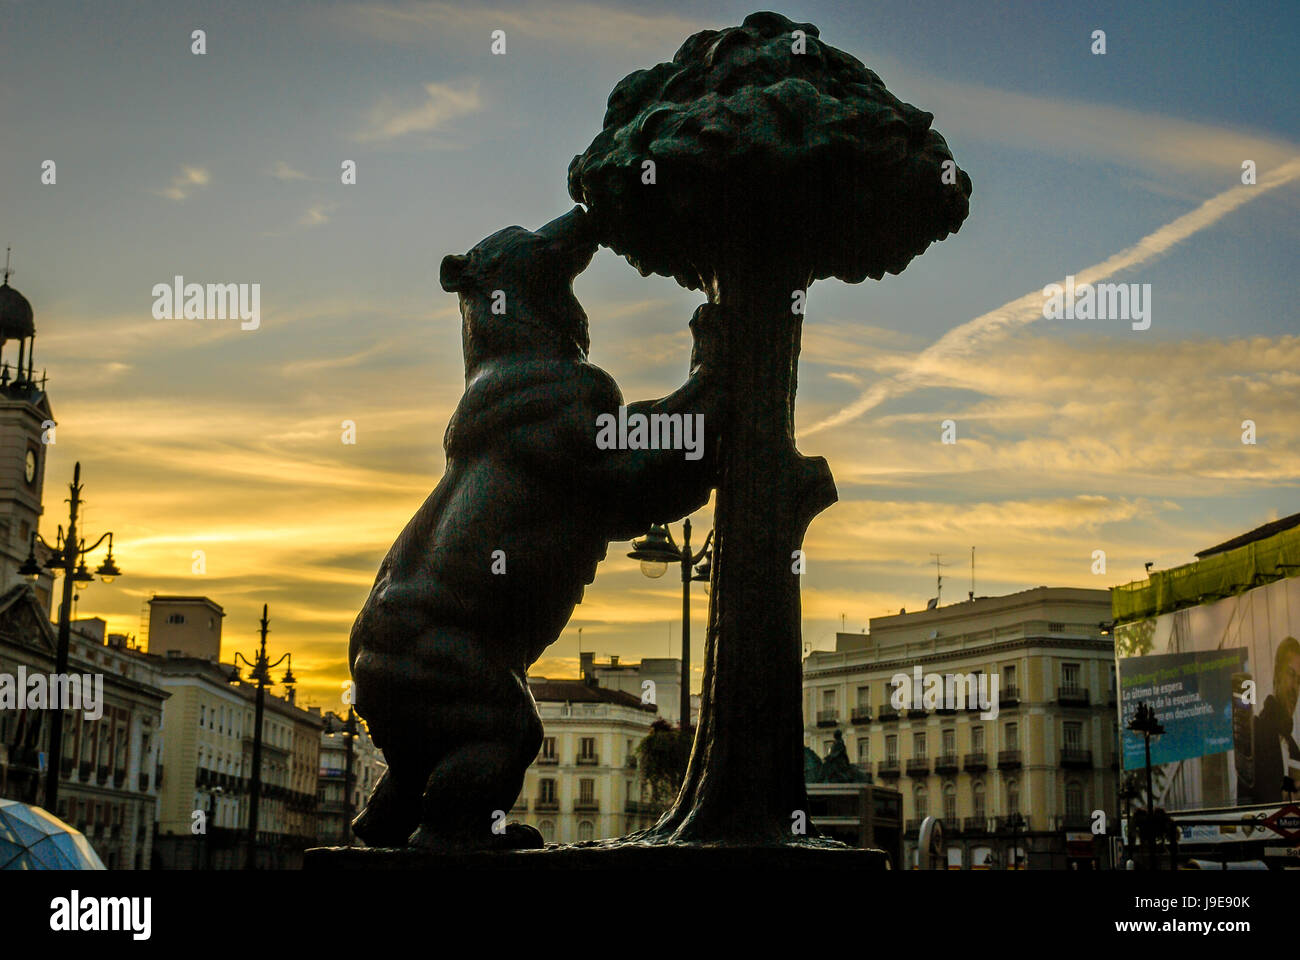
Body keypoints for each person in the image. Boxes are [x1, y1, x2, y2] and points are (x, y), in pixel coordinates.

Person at [1252, 636, 1300, 804]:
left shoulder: (1294, 750)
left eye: (1299, 680)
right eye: (1291, 674)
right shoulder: (1255, 732)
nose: (1295, 686)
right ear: (1277, 675)